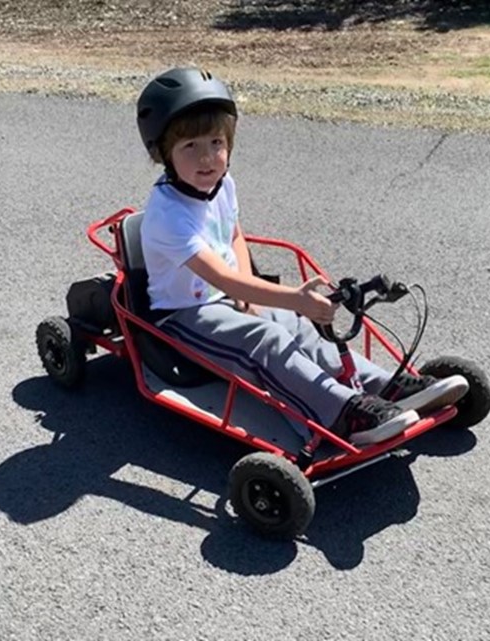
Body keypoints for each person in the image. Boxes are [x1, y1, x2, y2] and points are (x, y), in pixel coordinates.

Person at [135, 67, 468, 445]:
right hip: (183, 317)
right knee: (265, 340)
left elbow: (234, 235)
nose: (208, 158)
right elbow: (222, 279)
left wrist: (252, 295)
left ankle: (383, 386)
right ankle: (340, 414)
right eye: (190, 147)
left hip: (228, 299)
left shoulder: (222, 186)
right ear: (163, 153)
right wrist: (293, 298)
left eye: (216, 142)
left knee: (299, 328)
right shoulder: (168, 215)